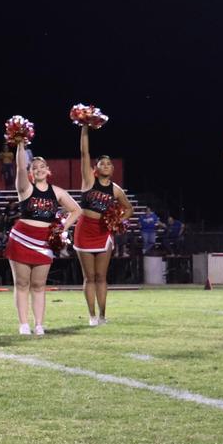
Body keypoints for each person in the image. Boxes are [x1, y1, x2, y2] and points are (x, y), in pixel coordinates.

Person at [4, 141, 83, 336]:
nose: (38, 170)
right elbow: (20, 166)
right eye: (34, 167)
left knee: (39, 285)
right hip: (22, 238)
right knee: (22, 284)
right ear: (31, 172)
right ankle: (23, 324)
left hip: (44, 241)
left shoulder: (57, 192)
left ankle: (39, 324)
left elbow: (76, 210)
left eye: (42, 167)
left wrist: (60, 229)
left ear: (48, 170)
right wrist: (21, 144)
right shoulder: (25, 189)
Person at [71, 124, 132, 326]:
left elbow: (128, 209)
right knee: (89, 277)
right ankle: (92, 316)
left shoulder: (116, 190)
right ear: (96, 168)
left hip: (103, 233)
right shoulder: (88, 180)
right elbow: (84, 152)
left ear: (113, 169)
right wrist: (85, 127)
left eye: (109, 164)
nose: (106, 166)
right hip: (84, 230)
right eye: (102, 164)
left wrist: (117, 220)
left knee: (101, 276)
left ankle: (103, 315)